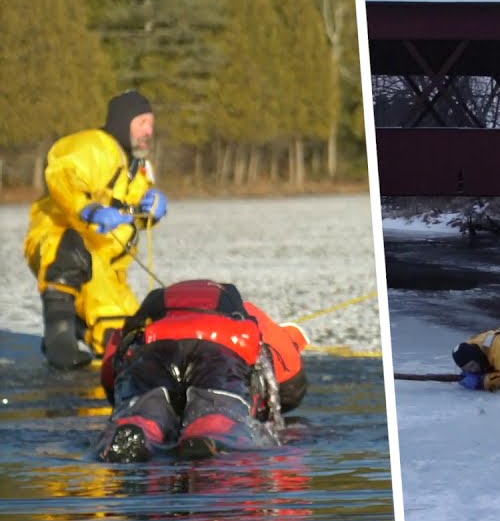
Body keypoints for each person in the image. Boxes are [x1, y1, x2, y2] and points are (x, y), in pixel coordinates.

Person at [24, 89, 170, 369]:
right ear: (123, 122)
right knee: (72, 254)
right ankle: (60, 335)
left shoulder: (137, 167)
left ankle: (80, 327)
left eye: (151, 123)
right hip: (59, 242)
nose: (149, 131)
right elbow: (62, 173)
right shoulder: (93, 147)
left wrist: (151, 209)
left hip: (108, 266)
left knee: (137, 334)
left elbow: (133, 212)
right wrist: (88, 209)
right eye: (142, 123)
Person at [94, 279, 309, 462]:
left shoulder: (148, 318)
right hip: (218, 355)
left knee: (143, 408)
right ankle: (207, 433)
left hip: (151, 351)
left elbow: (111, 373)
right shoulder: (253, 316)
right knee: (219, 412)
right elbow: (291, 388)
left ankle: (139, 426)